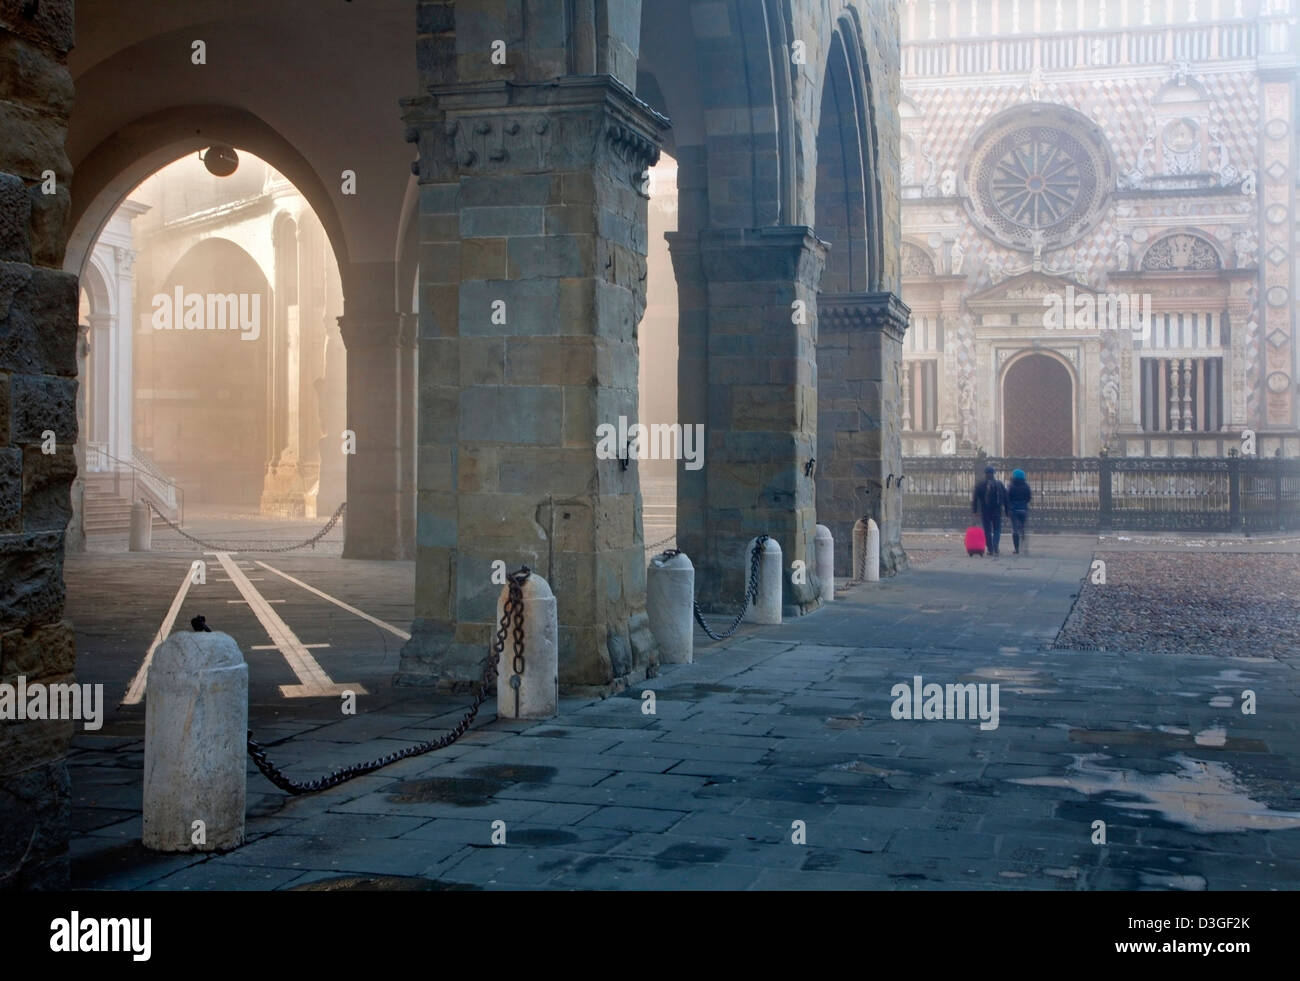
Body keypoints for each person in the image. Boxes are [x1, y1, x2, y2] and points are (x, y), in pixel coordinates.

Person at [971, 465, 1008, 557]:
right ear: (993, 474)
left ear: (985, 474)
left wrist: (975, 511)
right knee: (997, 529)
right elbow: (1005, 498)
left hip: (985, 511)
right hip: (997, 511)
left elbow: (975, 499)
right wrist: (1007, 510)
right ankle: (996, 545)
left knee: (987, 530)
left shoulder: (980, 485)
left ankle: (990, 549)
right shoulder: (999, 484)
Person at [1007, 468, 1032, 555]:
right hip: (1023, 509)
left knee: (1014, 529)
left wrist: (1009, 507)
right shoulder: (1026, 486)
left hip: (1013, 510)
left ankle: (1016, 549)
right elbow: (1029, 497)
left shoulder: (1011, 486)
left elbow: (1008, 498)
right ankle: (1023, 534)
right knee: (1022, 525)